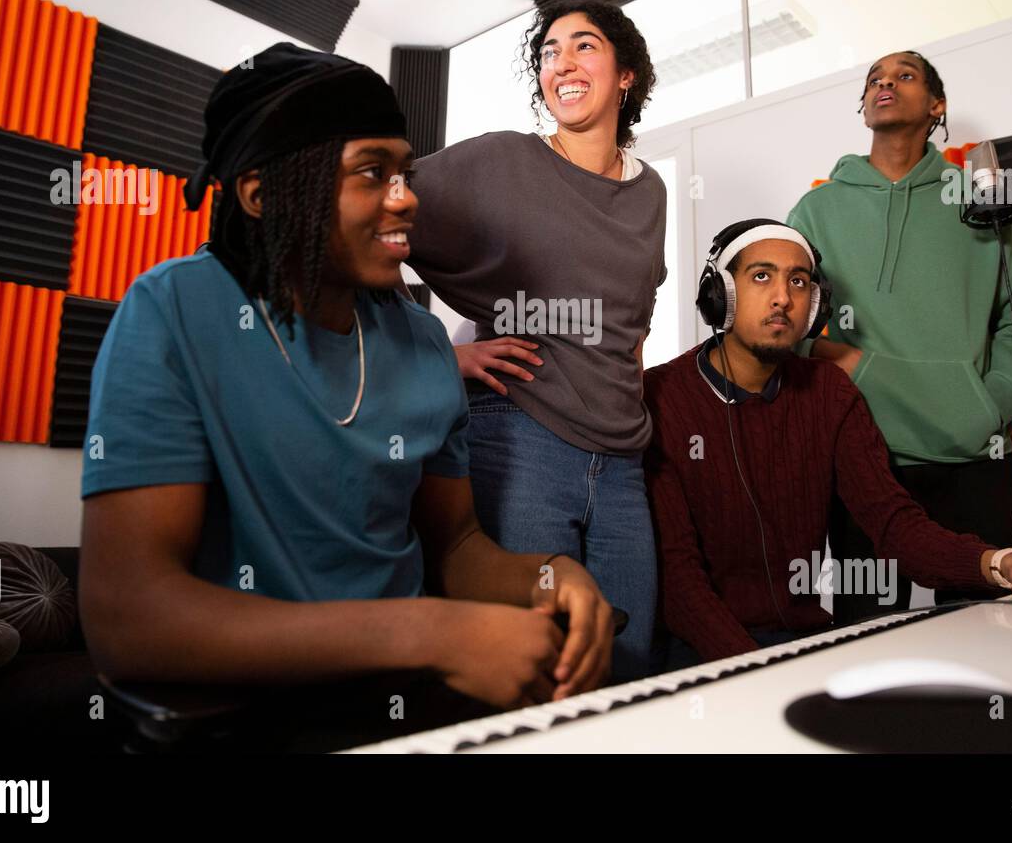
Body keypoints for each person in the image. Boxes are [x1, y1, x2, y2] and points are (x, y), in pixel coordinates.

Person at [78, 44, 614, 747]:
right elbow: (131, 618)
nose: (407, 198)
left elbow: (454, 544)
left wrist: (548, 574)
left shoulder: (424, 344)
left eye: (406, 173)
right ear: (263, 195)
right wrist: (430, 631)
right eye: (372, 173)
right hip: (242, 720)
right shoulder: (172, 310)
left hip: (398, 703)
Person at [643, 220, 1012, 669]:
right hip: (697, 654)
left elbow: (895, 526)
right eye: (761, 276)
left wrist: (1006, 563)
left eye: (800, 282)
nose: (783, 298)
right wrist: (758, 671)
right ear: (719, 294)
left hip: (804, 644)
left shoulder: (829, 392)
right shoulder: (661, 398)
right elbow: (680, 583)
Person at [407, 0, 665, 680]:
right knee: (540, 666)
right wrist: (443, 355)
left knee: (626, 662)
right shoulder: (501, 160)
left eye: (584, 47)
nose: (563, 64)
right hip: (520, 441)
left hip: (622, 464)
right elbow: (372, 215)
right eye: (550, 52)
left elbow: (632, 322)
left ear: (626, 76)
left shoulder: (653, 192)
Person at [787, 50, 1012, 623]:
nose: (885, 83)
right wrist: (843, 359)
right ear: (864, 106)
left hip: (974, 457)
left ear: (936, 106)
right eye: (874, 80)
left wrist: (989, 403)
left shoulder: (983, 203)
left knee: (984, 629)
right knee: (867, 636)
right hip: (864, 459)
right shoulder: (816, 210)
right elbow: (787, 318)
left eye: (904, 75)